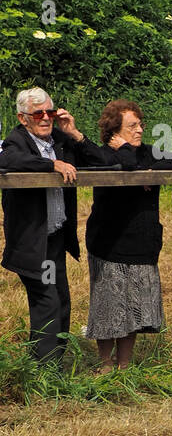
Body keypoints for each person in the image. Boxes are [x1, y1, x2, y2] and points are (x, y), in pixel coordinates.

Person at [0, 87, 114, 363]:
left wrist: (75, 133)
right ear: (23, 117)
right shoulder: (16, 141)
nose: (45, 118)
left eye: (49, 112)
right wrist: (51, 165)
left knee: (61, 300)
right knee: (47, 301)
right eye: (37, 113)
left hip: (55, 240)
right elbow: (8, 159)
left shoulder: (60, 140)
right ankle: (45, 371)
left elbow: (103, 161)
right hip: (31, 243)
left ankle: (49, 363)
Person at [84, 100, 172, 369]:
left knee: (133, 308)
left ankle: (124, 364)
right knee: (109, 306)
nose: (140, 130)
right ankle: (105, 364)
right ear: (114, 130)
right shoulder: (102, 155)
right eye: (132, 126)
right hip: (110, 242)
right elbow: (126, 167)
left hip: (143, 241)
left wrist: (151, 172)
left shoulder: (148, 154)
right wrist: (126, 155)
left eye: (141, 124)